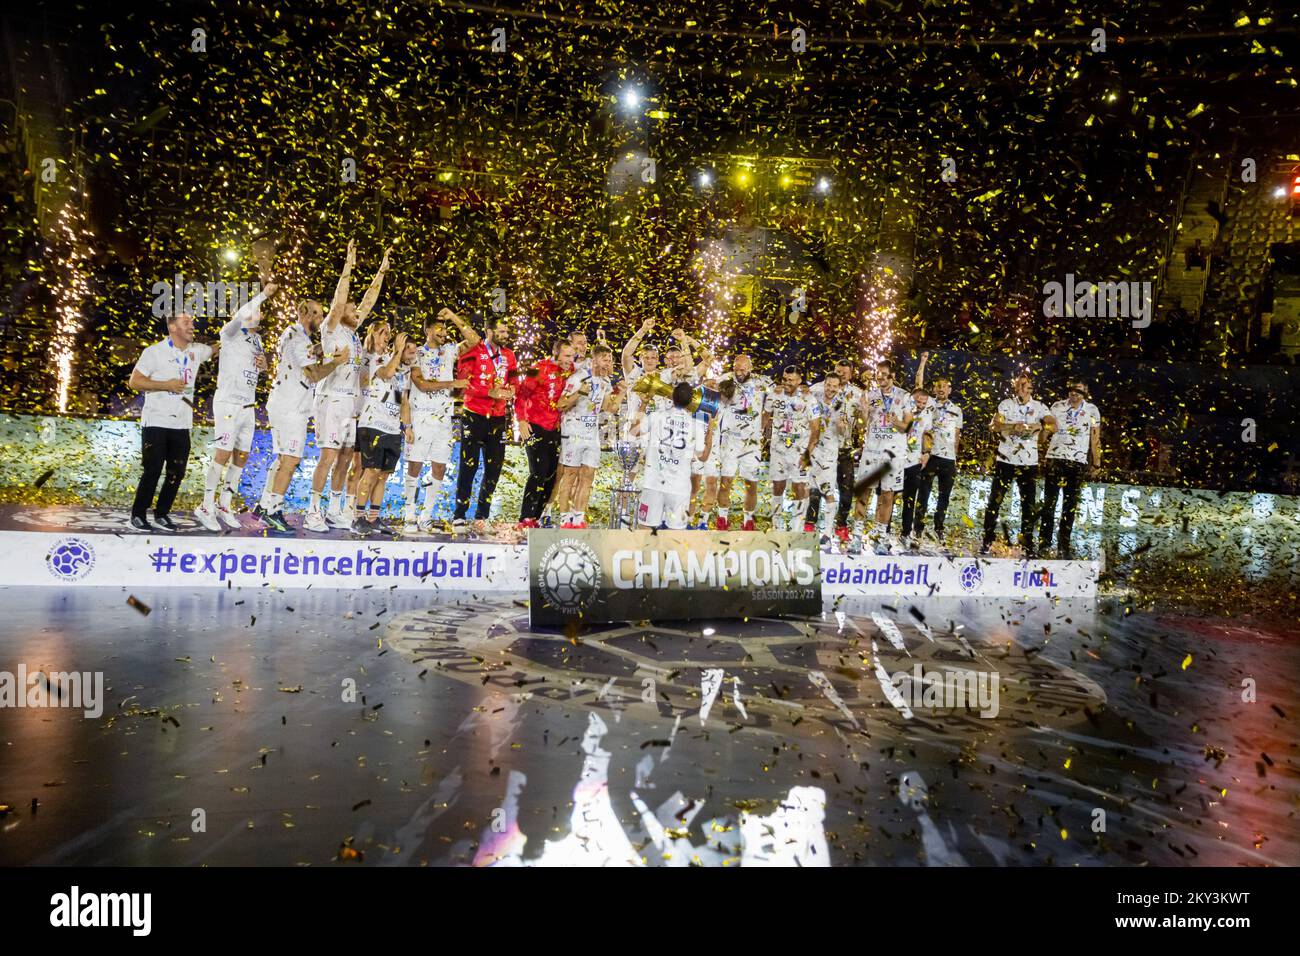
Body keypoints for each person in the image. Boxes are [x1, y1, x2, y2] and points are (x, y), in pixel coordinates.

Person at [305, 241, 391, 533]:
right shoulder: (331, 328)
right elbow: (340, 300)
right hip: (331, 399)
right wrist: (349, 264)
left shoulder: (354, 335)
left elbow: (368, 300)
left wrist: (381, 270)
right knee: (328, 456)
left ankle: (333, 509)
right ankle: (312, 511)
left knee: (344, 458)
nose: (358, 313)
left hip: (351, 404)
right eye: (352, 310)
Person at [256, 298, 350, 533]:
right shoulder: (297, 338)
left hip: (286, 404)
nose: (321, 319)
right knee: (290, 460)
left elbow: (303, 358)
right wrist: (337, 362)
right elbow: (314, 374)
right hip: (290, 408)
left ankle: (264, 504)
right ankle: (273, 511)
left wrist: (319, 350)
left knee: (281, 459)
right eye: (318, 315)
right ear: (306, 314)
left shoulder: (295, 336)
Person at [194, 283, 278, 531]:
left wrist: (263, 365)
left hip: (248, 404)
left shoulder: (257, 339)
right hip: (228, 402)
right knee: (223, 453)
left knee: (241, 456)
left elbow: (257, 367)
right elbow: (243, 313)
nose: (261, 314)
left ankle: (224, 503)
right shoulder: (229, 332)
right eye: (258, 310)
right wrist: (263, 295)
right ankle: (206, 505)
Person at [128, 310, 216, 531]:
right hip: (156, 422)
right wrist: (165, 385)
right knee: (153, 470)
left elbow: (217, 348)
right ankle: (138, 515)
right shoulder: (154, 352)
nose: (192, 326)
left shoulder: (197, 351)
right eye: (186, 323)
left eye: (192, 323)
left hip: (182, 424)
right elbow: (135, 381)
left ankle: (162, 513)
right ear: (172, 327)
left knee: (177, 472)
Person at [402, 309, 476, 532]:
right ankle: (409, 514)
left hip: (444, 419)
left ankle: (426, 516)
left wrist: (453, 317)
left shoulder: (450, 351)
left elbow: (474, 340)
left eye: (445, 328)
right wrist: (451, 384)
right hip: (421, 416)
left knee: (440, 468)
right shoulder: (416, 354)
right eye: (439, 328)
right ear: (427, 331)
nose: (444, 332)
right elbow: (421, 384)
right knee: (415, 466)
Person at [453, 315, 519, 531]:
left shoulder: (510, 356)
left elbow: (514, 378)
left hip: (499, 418)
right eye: (500, 332)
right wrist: (488, 391)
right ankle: (459, 515)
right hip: (474, 415)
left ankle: (482, 516)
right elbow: (463, 385)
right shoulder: (472, 353)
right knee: (468, 467)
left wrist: (512, 390)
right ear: (488, 332)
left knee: (494, 469)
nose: (505, 336)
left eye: (506, 332)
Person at [982, 372, 1055, 556]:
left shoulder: (1039, 406)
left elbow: (1053, 425)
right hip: (1005, 460)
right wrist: (1012, 426)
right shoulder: (1006, 404)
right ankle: (987, 540)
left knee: (1028, 505)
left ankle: (1026, 544)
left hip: (1028, 463)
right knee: (994, 502)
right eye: (1020, 384)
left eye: (1026, 385)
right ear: (1015, 387)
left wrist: (1039, 426)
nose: (1022, 388)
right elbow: (995, 426)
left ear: (1030, 388)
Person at [552, 344, 623, 528]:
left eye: (610, 360)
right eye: (605, 359)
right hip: (573, 433)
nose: (609, 363)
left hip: (592, 435)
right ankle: (564, 519)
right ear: (595, 360)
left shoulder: (606, 382)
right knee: (569, 475)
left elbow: (610, 408)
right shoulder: (577, 378)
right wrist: (580, 392)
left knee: (588, 476)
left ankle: (578, 518)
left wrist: (622, 391)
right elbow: (561, 404)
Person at [850, 359, 914, 555]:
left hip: (894, 453)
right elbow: (861, 426)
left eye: (884, 374)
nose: (880, 376)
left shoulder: (904, 396)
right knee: (864, 494)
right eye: (878, 373)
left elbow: (909, 427)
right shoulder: (870, 395)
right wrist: (863, 411)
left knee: (887, 496)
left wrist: (897, 423)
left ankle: (879, 538)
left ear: (892, 376)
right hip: (871, 452)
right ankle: (856, 537)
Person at [353, 332, 413, 534]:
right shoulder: (378, 358)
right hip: (372, 424)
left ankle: (374, 518)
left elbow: (403, 400)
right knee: (370, 472)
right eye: (407, 349)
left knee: (383, 475)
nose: (411, 355)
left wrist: (408, 427)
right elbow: (386, 374)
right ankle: (358, 518)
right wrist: (396, 350)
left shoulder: (404, 371)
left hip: (392, 428)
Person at [637, 381, 715, 530]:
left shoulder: (656, 416)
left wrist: (643, 404)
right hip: (679, 488)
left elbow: (634, 430)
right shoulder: (695, 425)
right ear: (691, 402)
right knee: (676, 537)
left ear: (672, 397)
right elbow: (704, 457)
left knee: (645, 531)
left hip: (653, 484)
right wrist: (710, 429)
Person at [515, 338, 574, 528]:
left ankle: (537, 517)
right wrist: (521, 421)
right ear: (556, 353)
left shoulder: (571, 371)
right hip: (535, 426)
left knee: (551, 475)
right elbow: (521, 394)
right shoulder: (537, 368)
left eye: (572, 356)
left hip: (555, 429)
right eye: (566, 355)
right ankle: (525, 518)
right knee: (538, 472)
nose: (570, 359)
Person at [1039, 381, 1101, 558]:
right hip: (1055, 460)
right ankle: (1044, 545)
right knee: (1049, 504)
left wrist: (1096, 463)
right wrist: (1044, 434)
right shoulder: (1057, 406)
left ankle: (1063, 547)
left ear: (1085, 393)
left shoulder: (1092, 410)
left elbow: (1095, 439)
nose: (1074, 394)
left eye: (1079, 391)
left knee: (1070, 507)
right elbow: (1045, 434)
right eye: (1072, 391)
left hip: (1077, 462)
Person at [715, 353, 769, 531]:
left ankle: (748, 520)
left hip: (751, 443)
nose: (739, 372)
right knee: (726, 481)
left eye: (743, 369)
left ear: (751, 368)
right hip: (730, 439)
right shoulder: (725, 379)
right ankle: (722, 519)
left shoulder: (763, 382)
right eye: (736, 368)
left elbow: (778, 397)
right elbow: (710, 385)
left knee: (751, 483)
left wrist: (761, 427)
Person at [806, 359, 861, 533]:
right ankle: (810, 521)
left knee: (846, 489)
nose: (841, 375)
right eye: (838, 371)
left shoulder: (857, 394)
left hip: (844, 447)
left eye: (844, 372)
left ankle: (841, 524)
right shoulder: (816, 390)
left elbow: (862, 421)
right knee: (815, 485)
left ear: (851, 373)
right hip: (819, 447)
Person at [912, 352, 962, 544]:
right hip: (929, 456)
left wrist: (955, 458)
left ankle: (939, 528)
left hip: (948, 459)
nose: (941, 389)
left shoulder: (957, 410)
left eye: (944, 386)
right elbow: (918, 386)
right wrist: (923, 362)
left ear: (950, 389)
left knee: (944, 497)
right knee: (923, 494)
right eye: (938, 386)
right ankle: (918, 528)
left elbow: (957, 435)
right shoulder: (929, 403)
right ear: (933, 389)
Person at [763, 366, 812, 532]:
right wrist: (757, 437)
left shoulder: (808, 399)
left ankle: (797, 527)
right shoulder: (774, 395)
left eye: (791, 380)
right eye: (784, 379)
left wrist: (807, 454)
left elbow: (816, 429)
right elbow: (764, 417)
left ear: (799, 381)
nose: (786, 383)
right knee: (777, 486)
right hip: (778, 450)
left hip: (800, 451)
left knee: (800, 487)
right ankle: (776, 524)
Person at [806, 371, 850, 548]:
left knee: (828, 491)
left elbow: (843, 432)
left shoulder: (841, 404)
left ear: (839, 387)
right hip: (811, 449)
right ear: (824, 384)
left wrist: (841, 426)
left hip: (829, 454)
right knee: (810, 489)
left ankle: (827, 533)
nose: (831, 389)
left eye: (834, 386)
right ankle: (809, 527)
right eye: (828, 385)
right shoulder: (814, 396)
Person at [897, 385, 934, 548]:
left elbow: (927, 433)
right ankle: (884, 531)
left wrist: (927, 452)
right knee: (889, 497)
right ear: (911, 399)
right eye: (918, 401)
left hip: (913, 461)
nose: (920, 405)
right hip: (896, 459)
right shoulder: (901, 409)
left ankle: (905, 533)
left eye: (923, 402)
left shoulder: (927, 414)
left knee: (910, 500)